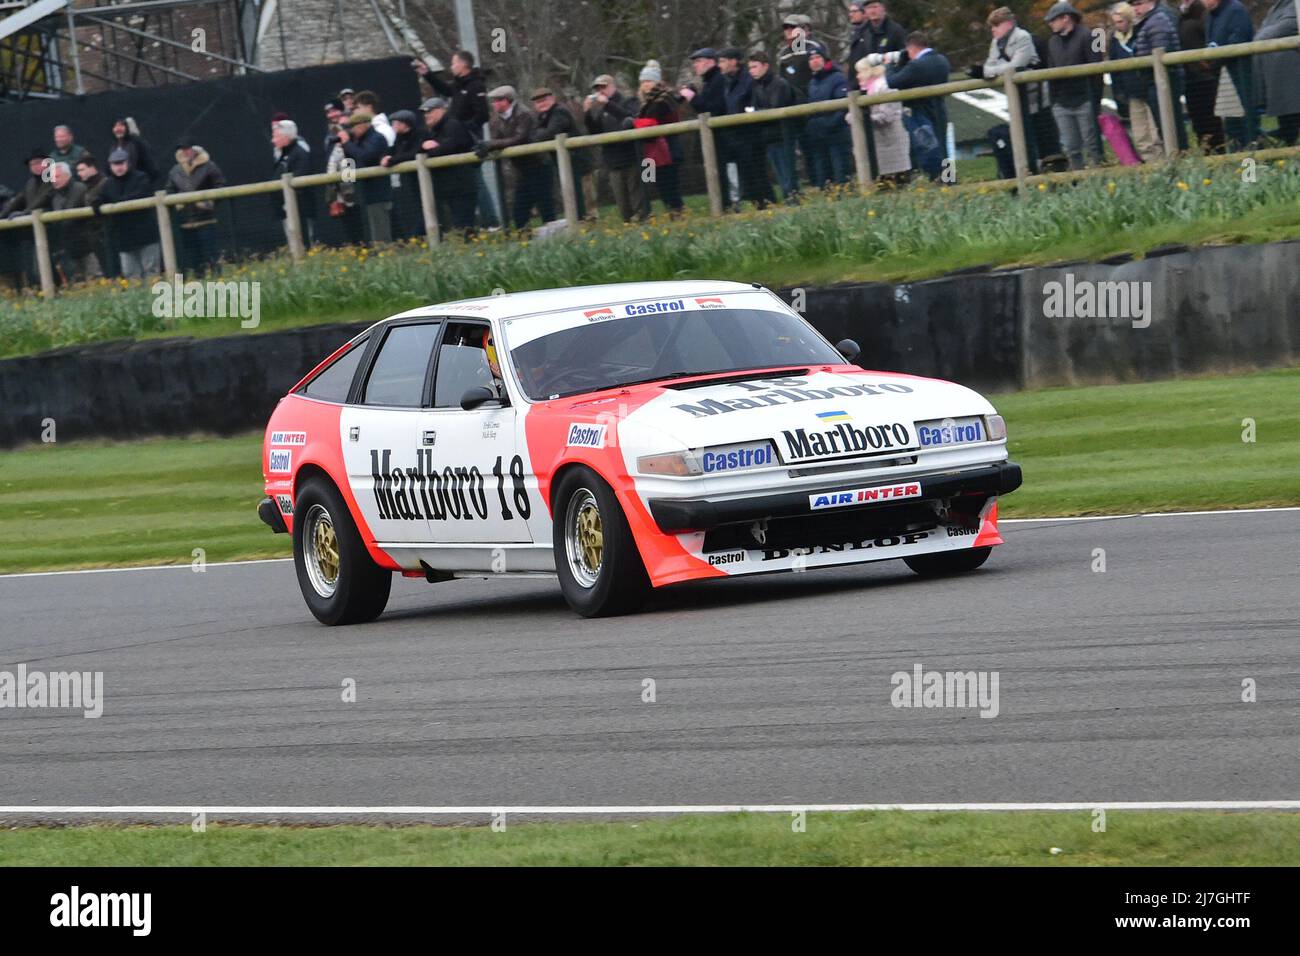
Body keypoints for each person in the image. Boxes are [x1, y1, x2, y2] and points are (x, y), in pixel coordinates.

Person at [416, 50, 499, 229]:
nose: (451, 66)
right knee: (470, 181)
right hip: (456, 137)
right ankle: (483, 223)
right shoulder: (459, 85)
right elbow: (445, 89)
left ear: (463, 65)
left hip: (468, 139)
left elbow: (482, 114)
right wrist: (427, 74)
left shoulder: (475, 85)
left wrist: (463, 129)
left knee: (476, 180)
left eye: (454, 63)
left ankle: (491, 222)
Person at [974, 8, 1040, 175]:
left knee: (1035, 137)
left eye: (996, 24)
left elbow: (1016, 66)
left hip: (1035, 95)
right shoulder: (996, 42)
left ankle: (1035, 173)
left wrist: (991, 71)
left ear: (1009, 24)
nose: (992, 29)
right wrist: (989, 70)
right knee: (1020, 135)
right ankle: (1022, 174)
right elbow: (990, 66)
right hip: (1015, 95)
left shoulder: (1023, 37)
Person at [478, 86, 554, 230]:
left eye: (496, 101)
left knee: (546, 208)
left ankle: (554, 239)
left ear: (506, 101)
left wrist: (491, 144)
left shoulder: (524, 114)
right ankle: (525, 240)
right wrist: (488, 147)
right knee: (520, 212)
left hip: (539, 166)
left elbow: (520, 138)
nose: (493, 104)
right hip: (522, 170)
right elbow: (498, 140)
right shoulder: (496, 120)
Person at [885, 32, 951, 180]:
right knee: (943, 146)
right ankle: (950, 179)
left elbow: (893, 82)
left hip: (921, 111)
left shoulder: (916, 65)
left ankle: (935, 178)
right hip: (939, 108)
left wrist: (889, 65)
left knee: (927, 147)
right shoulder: (942, 60)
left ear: (911, 48)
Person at [1044, 3, 1103, 169]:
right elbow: (1050, 72)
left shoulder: (1089, 36)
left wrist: (1094, 100)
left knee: (1092, 144)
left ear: (1066, 18)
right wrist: (1054, 100)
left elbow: (1097, 70)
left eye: (1053, 20)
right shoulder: (1052, 42)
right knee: (1071, 147)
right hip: (1061, 103)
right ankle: (1079, 181)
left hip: (1085, 99)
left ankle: (1098, 178)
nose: (1050, 24)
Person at [583, 74, 646, 223]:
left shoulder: (629, 101)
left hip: (633, 158)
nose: (600, 91)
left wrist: (608, 104)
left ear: (613, 86)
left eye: (603, 87)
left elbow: (631, 118)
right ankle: (629, 226)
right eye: (597, 88)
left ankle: (645, 222)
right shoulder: (601, 110)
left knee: (638, 198)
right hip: (613, 162)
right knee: (622, 202)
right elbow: (594, 132)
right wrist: (587, 113)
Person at [1131, 0, 1188, 158]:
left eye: (1138, 3)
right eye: (1133, 5)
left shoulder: (1157, 20)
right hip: (1155, 81)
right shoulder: (1148, 21)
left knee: (1171, 126)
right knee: (1164, 126)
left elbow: (1160, 50)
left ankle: (1178, 160)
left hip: (1164, 81)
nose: (1135, 8)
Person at [718, 46, 772, 210]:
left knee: (758, 173)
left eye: (723, 61)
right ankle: (758, 204)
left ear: (733, 61)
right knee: (747, 174)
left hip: (750, 135)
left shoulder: (747, 80)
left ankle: (766, 203)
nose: (720, 65)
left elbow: (751, 103)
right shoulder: (728, 82)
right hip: (736, 136)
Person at [419, 97, 479, 236]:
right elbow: (419, 150)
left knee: (464, 226)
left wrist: (430, 149)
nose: (427, 115)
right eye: (425, 113)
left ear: (441, 110)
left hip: (462, 186)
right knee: (457, 227)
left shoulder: (453, 125)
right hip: (448, 188)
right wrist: (425, 146)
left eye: (430, 111)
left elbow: (447, 148)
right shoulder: (433, 131)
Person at [166, 138, 225, 276]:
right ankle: (200, 280)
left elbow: (221, 185)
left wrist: (208, 202)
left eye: (188, 148)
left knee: (212, 253)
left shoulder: (209, 166)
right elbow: (168, 190)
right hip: (185, 222)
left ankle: (219, 279)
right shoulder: (175, 170)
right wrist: (178, 204)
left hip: (205, 219)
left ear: (195, 149)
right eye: (182, 149)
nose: (185, 152)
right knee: (193, 256)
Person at [748, 51, 800, 202]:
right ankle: (790, 202)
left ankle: (794, 203)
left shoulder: (779, 84)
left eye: (755, 66)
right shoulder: (757, 87)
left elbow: (776, 108)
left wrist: (757, 113)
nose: (752, 71)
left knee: (788, 176)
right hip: (769, 138)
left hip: (784, 136)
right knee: (781, 176)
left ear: (766, 66)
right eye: (750, 68)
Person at [1203, 0, 1256, 150]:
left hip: (1240, 75)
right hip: (1223, 77)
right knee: (1231, 126)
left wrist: (1215, 58)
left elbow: (1238, 40)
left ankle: (1252, 163)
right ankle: (1238, 165)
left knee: (1247, 124)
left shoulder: (1235, 10)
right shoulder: (1210, 16)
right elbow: (1210, 43)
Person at [99, 148, 159, 278]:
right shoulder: (108, 184)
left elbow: (141, 195)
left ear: (128, 163)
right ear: (110, 166)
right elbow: (100, 199)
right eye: (115, 164)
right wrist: (97, 204)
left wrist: (116, 203)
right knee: (130, 274)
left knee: (151, 272)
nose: (118, 167)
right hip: (124, 238)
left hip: (146, 234)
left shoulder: (141, 177)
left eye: (121, 163)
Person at [635, 63, 686, 217]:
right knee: (656, 183)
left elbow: (651, 119)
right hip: (653, 152)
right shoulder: (648, 101)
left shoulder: (663, 98)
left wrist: (635, 123)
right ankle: (670, 212)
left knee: (670, 185)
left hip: (667, 150)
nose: (645, 85)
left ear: (657, 81)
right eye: (643, 82)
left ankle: (677, 213)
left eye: (649, 81)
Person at [1178, 1, 1225, 151]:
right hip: (1194, 79)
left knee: (1208, 122)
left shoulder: (1199, 18)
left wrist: (1205, 66)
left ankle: (1216, 152)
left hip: (1203, 79)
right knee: (1202, 123)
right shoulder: (1185, 19)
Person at [340, 111, 394, 243]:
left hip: (378, 194)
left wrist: (348, 144)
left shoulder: (377, 138)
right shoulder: (357, 142)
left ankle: (385, 256)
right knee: (371, 233)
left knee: (381, 233)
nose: (352, 131)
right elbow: (349, 169)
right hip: (365, 195)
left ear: (364, 125)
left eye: (354, 126)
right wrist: (345, 148)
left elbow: (365, 157)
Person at [805, 42, 852, 188]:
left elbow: (842, 104)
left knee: (841, 172)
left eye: (818, 57)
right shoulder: (812, 82)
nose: (815, 61)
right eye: (811, 59)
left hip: (837, 133)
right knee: (823, 175)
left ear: (825, 58)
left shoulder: (837, 78)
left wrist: (830, 123)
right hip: (818, 135)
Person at [855, 60, 911, 184]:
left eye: (859, 72)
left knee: (898, 181)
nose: (857, 76)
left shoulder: (886, 88)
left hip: (892, 141)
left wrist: (861, 118)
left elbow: (886, 116)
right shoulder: (866, 91)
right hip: (880, 144)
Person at [1254, 0, 1300, 146]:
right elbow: (1264, 29)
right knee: (1287, 125)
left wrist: (1259, 39)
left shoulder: (1295, 5)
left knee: (1292, 123)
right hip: (1280, 84)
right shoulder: (1276, 7)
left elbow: (1287, 25)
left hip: (1291, 83)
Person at [47, 162, 97, 284]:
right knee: (75, 283)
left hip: (88, 245)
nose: (54, 180)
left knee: (95, 278)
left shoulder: (81, 189)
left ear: (67, 176)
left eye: (57, 176)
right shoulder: (54, 196)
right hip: (67, 248)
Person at [271, 119, 315, 247]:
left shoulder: (299, 153)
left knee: (304, 242)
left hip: (300, 209)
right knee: (294, 244)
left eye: (276, 136)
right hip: (288, 210)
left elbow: (301, 179)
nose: (273, 141)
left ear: (286, 137)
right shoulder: (283, 155)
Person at [110, 117, 158, 184]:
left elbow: (150, 164)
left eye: (121, 125)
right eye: (115, 126)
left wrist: (145, 182)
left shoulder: (137, 142)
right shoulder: (114, 147)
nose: (118, 129)